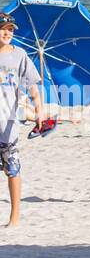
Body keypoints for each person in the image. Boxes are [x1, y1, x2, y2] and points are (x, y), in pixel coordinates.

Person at [0, 12, 44, 227]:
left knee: (13, 169)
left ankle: (14, 217)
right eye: (3, 28)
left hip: (8, 122)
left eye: (10, 29)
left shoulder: (19, 55)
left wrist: (39, 109)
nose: (7, 32)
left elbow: (32, 86)